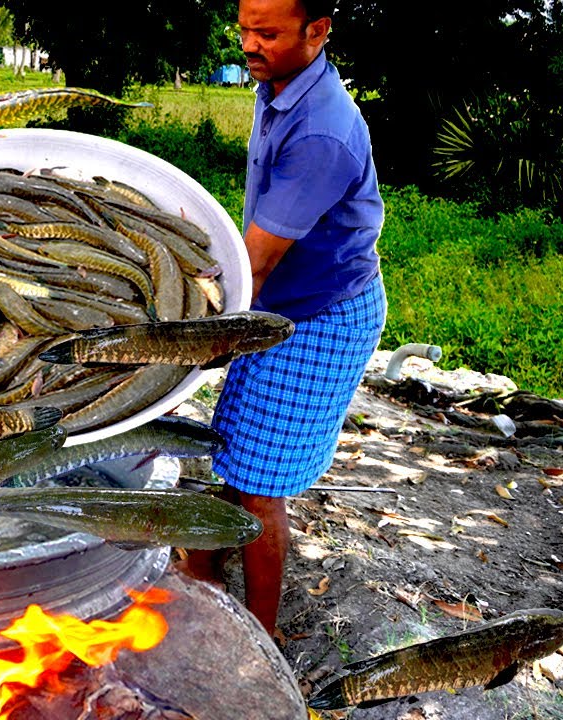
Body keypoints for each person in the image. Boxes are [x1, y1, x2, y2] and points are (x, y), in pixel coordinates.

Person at [179, 0, 387, 636]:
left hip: (319, 317)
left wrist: (181, 352)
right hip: (278, 302)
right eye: (243, 28)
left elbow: (258, 265)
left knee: (261, 485)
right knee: (234, 447)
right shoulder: (279, 86)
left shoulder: (323, 132)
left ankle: (260, 634)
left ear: (317, 32)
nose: (249, 44)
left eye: (267, 33)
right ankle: (204, 568)